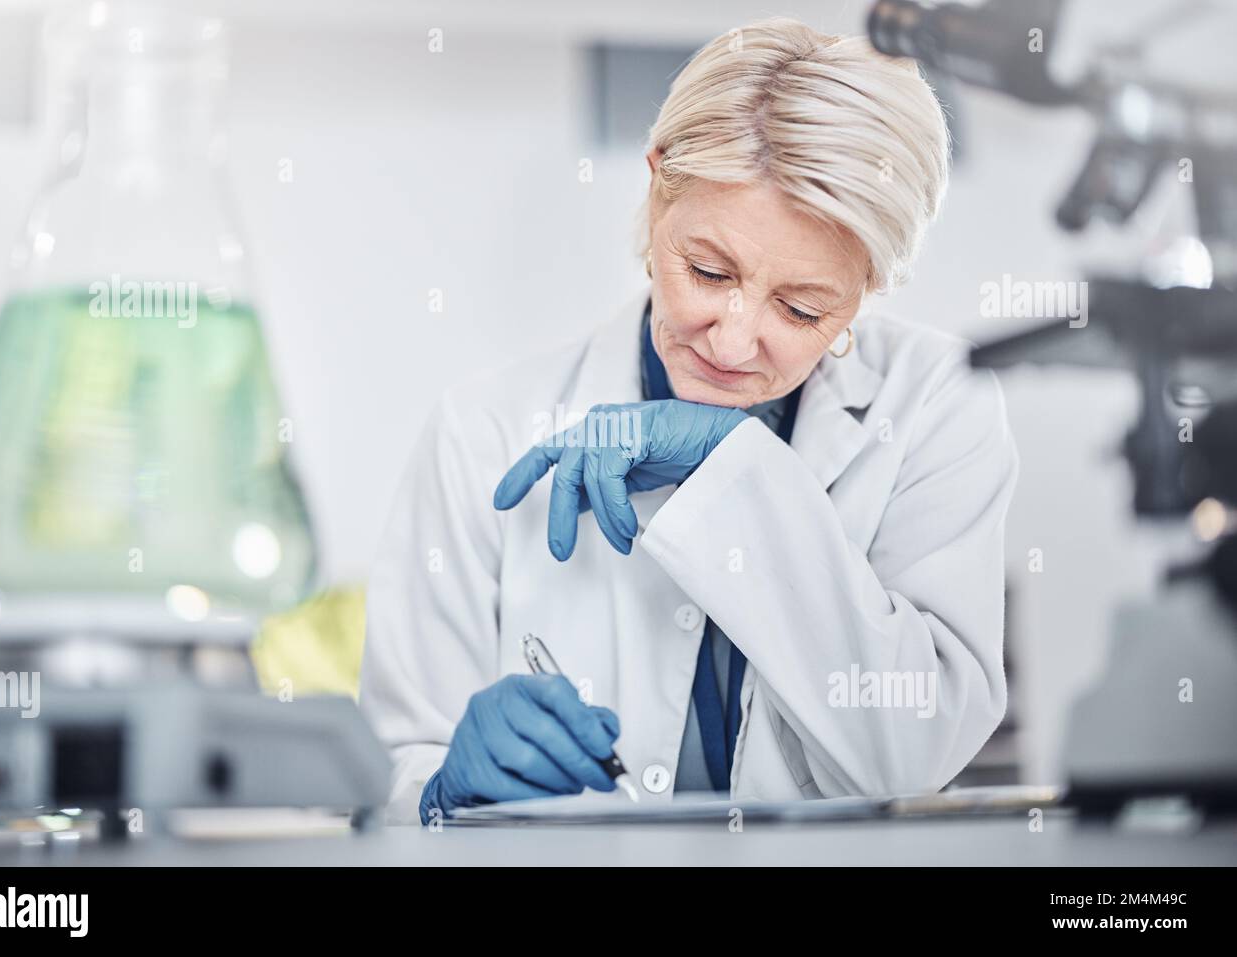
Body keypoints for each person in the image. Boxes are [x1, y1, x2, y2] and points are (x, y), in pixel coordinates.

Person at [358, 17, 1019, 825]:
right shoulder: (483, 432)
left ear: (869, 289)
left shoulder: (935, 404)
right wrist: (438, 789)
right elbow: (388, 774)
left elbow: (915, 751)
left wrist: (742, 467)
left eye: (801, 307)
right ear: (656, 185)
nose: (735, 340)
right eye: (709, 271)